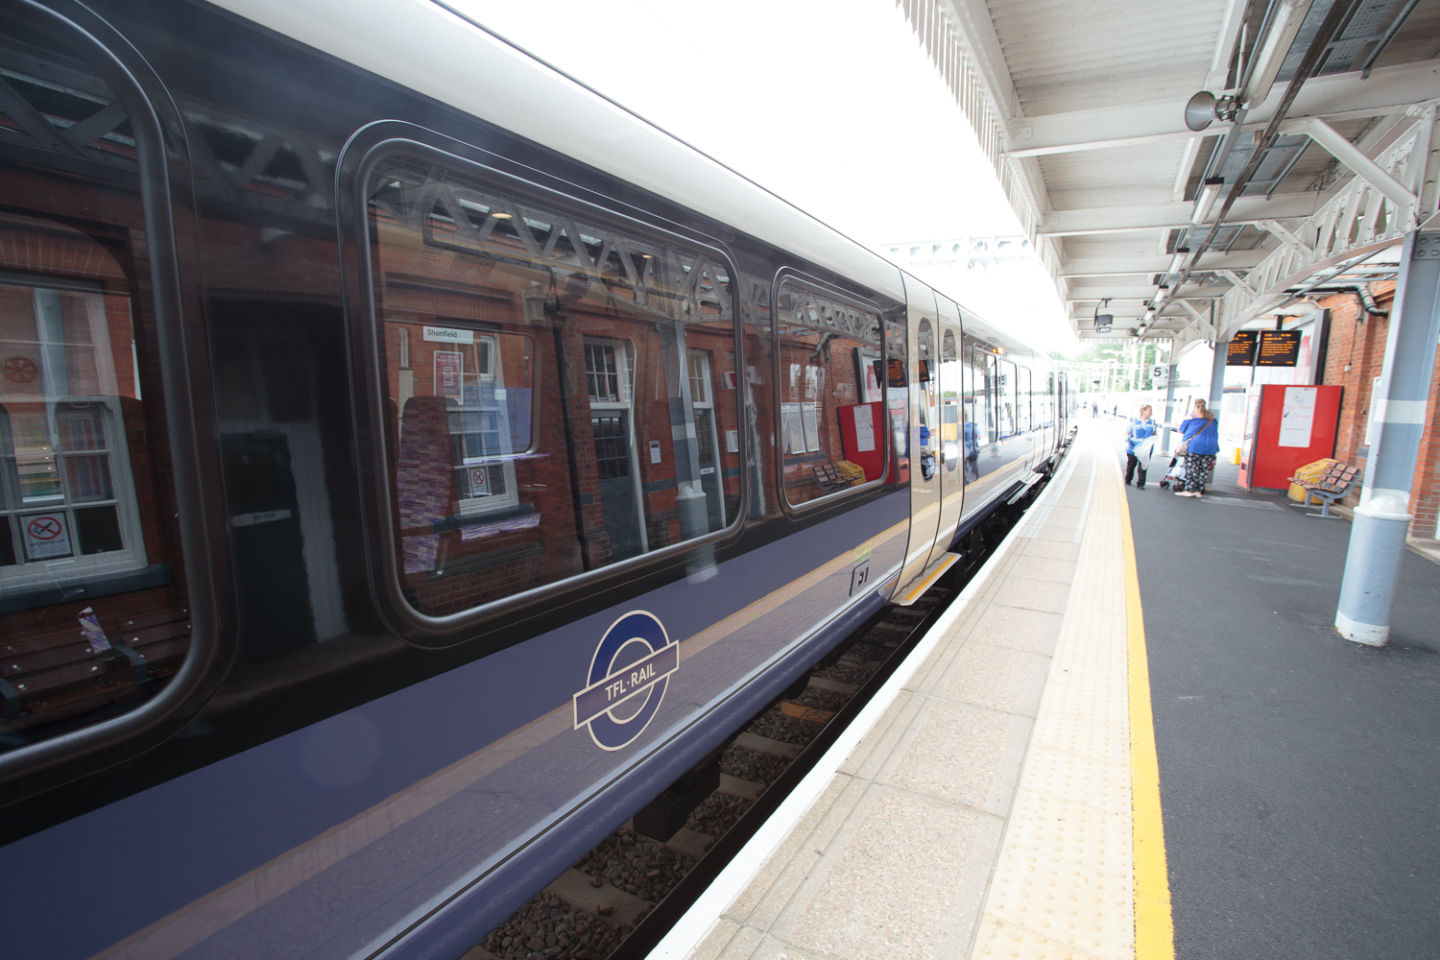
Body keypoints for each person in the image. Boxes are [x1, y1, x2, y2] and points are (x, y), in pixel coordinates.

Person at [1175, 398, 1219, 498]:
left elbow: (1181, 430)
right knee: (1203, 470)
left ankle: (1190, 490)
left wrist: (1178, 426)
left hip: (1195, 446)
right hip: (1210, 447)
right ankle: (1198, 491)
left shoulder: (1191, 416)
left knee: (1192, 469)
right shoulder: (1212, 417)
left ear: (1195, 405)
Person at [1124, 405, 1158, 489]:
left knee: (1143, 465)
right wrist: (1127, 439)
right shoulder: (1134, 421)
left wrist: (1153, 440)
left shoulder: (1152, 422)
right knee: (1131, 465)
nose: (1151, 413)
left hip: (1146, 449)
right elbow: (1127, 432)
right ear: (1143, 411)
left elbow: (1154, 433)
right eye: (1149, 410)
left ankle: (1141, 483)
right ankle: (1128, 479)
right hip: (1134, 447)